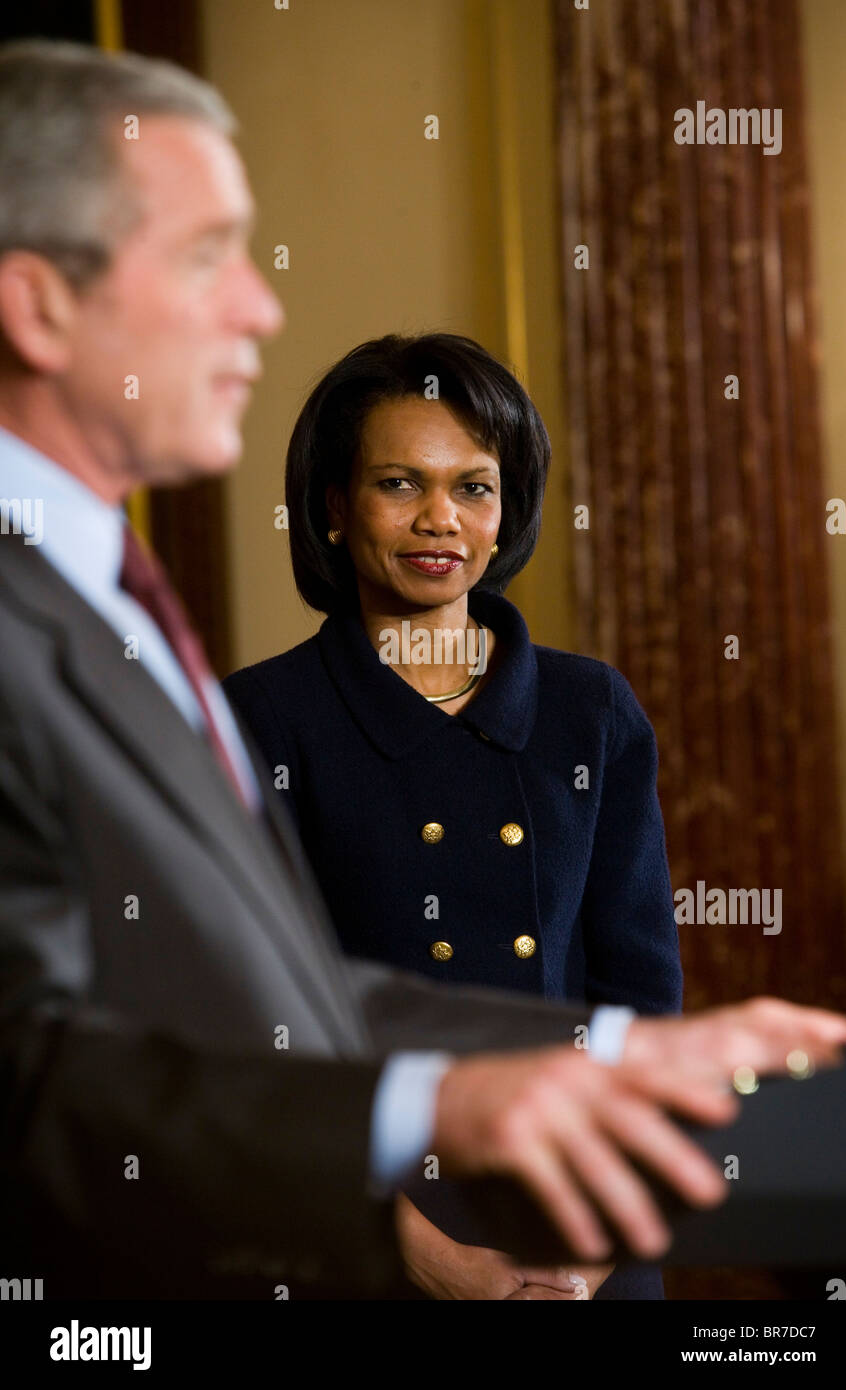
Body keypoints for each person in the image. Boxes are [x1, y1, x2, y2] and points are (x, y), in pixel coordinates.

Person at [0, 39, 846, 1301]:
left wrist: (633, 1053)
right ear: (39, 306)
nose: (262, 304)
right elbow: (39, 1067)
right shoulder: (191, 676)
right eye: (206, 254)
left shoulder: (104, 606)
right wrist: (403, 1192)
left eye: (471, 486)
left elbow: (260, 995)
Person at [223, 331, 682, 1300]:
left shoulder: (588, 709)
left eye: (473, 486)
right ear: (334, 509)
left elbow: (638, 1005)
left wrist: (600, 1234)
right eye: (401, 484)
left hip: (580, 1219)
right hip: (366, 1234)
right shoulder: (258, 720)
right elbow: (250, 1032)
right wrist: (409, 1246)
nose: (441, 519)